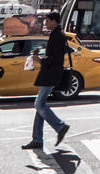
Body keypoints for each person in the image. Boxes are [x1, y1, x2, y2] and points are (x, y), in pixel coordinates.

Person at [21, 11, 71, 151]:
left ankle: (60, 126)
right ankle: (37, 139)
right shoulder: (55, 35)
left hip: (51, 74)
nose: (45, 23)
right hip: (49, 74)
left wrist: (39, 59)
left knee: (39, 104)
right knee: (40, 106)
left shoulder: (58, 36)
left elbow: (55, 59)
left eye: (47, 21)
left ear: (55, 21)